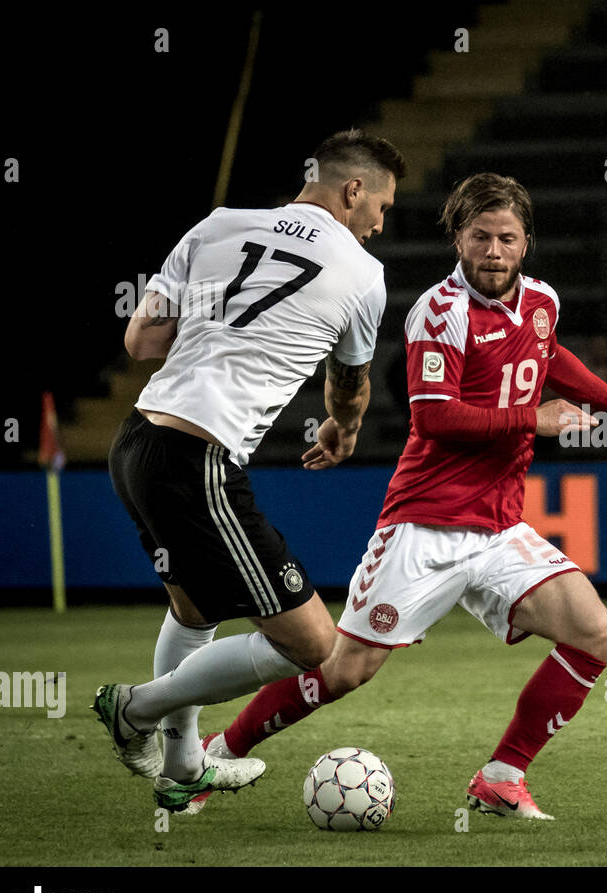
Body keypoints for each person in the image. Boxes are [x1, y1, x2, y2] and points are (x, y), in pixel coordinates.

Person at [193, 173, 607, 820]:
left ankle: (502, 776)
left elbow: (548, 354)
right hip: (425, 526)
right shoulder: (439, 313)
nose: (495, 252)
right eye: (481, 238)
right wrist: (534, 420)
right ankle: (215, 752)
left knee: (593, 635)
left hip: (500, 527)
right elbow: (438, 419)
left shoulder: (539, 301)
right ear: (458, 240)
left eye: (507, 238)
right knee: (343, 670)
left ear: (526, 242)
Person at [94, 129, 404, 811]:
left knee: (194, 608)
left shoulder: (220, 224)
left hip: (137, 443)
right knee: (313, 644)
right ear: (353, 190)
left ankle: (181, 766)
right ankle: (136, 709)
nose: (380, 223)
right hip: (197, 461)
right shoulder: (360, 273)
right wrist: (343, 427)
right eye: (380, 206)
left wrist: (220, 313)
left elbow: (141, 340)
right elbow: (349, 385)